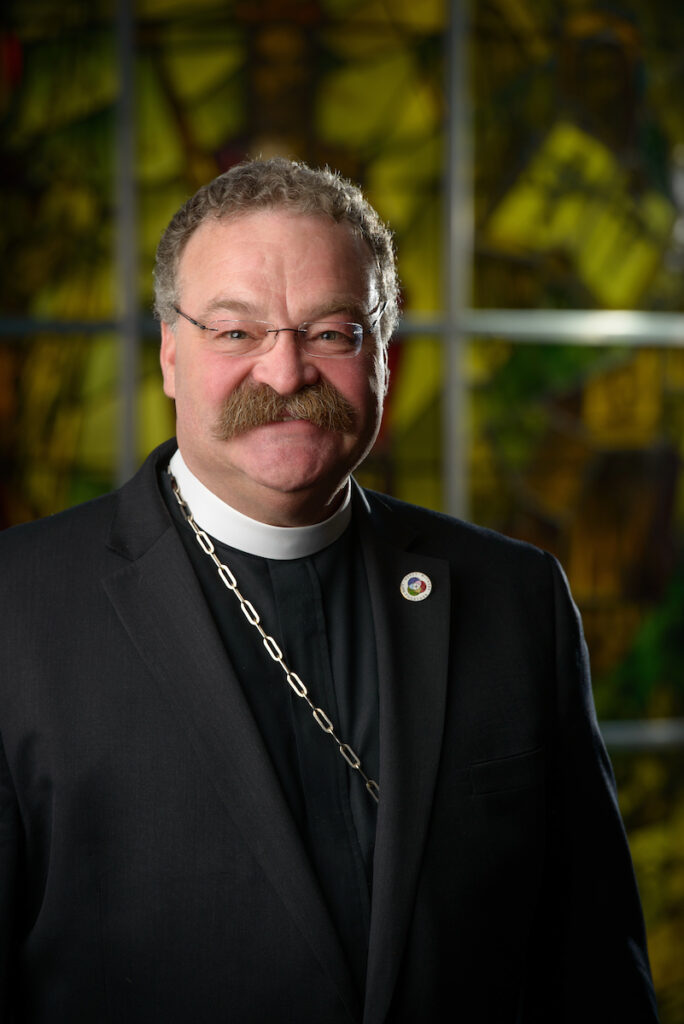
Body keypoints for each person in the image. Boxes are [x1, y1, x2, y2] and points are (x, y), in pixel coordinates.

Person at [0, 157, 658, 1023]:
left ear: (384, 358)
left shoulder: (515, 599)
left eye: (330, 332)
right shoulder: (18, 609)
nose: (284, 375)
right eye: (236, 333)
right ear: (169, 353)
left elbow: (594, 973)